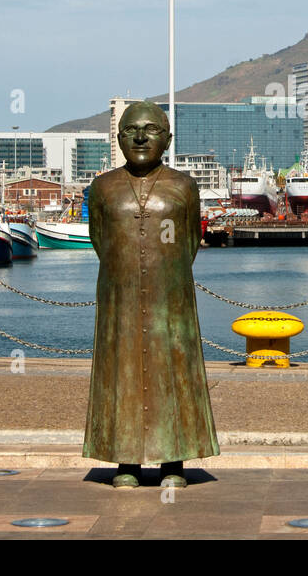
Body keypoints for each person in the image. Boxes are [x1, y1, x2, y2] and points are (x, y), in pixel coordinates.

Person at [83, 101, 217, 488]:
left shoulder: (183, 186)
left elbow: (190, 241)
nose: (140, 137)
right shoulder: (103, 187)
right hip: (119, 298)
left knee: (174, 373)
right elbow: (100, 241)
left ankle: (173, 462)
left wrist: (166, 275)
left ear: (168, 138)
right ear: (119, 138)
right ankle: (125, 462)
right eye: (130, 130)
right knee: (119, 372)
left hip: (170, 300)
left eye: (151, 129)